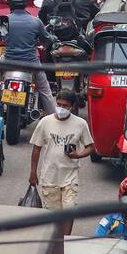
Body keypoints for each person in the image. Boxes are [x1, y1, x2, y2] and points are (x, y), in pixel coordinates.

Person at [28, 90, 95, 235]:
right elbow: (36, 149)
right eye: (59, 104)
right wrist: (33, 173)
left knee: (69, 211)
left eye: (65, 106)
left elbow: (90, 147)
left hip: (70, 177)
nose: (61, 108)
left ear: (72, 107)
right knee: (53, 216)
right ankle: (54, 243)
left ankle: (66, 242)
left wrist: (78, 154)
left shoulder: (80, 124)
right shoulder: (45, 122)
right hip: (49, 177)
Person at [2, 0, 56, 114]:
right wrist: (53, 38)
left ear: (9, 2)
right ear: (26, 2)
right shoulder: (35, 22)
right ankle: (54, 119)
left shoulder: (4, 21)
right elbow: (46, 39)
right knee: (45, 90)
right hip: (31, 62)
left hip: (7, 61)